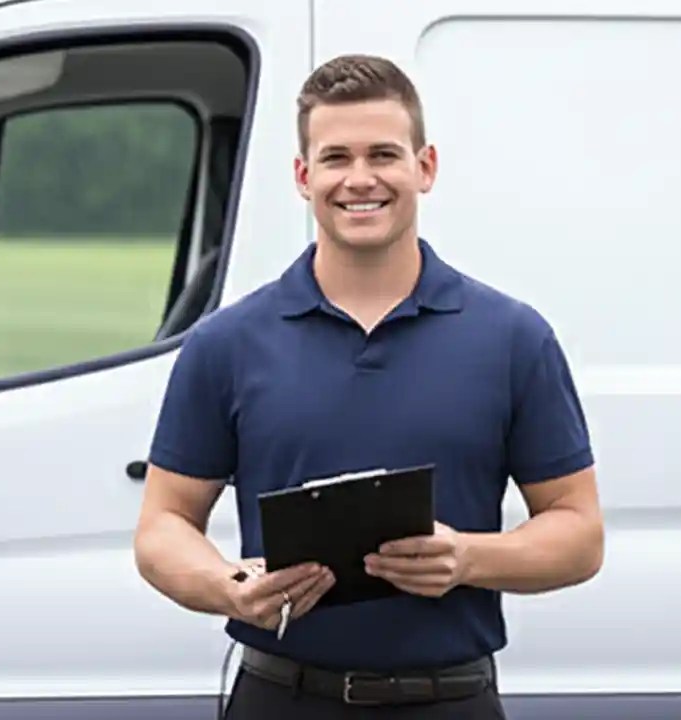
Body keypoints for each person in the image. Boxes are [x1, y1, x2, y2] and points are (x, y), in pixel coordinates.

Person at [134, 54, 604, 719]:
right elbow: (162, 525)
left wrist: (467, 558)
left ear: (425, 166)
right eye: (335, 158)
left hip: (452, 700)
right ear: (304, 176)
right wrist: (227, 584)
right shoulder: (226, 343)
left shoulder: (513, 338)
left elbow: (580, 535)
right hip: (280, 697)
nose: (360, 179)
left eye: (384, 154)